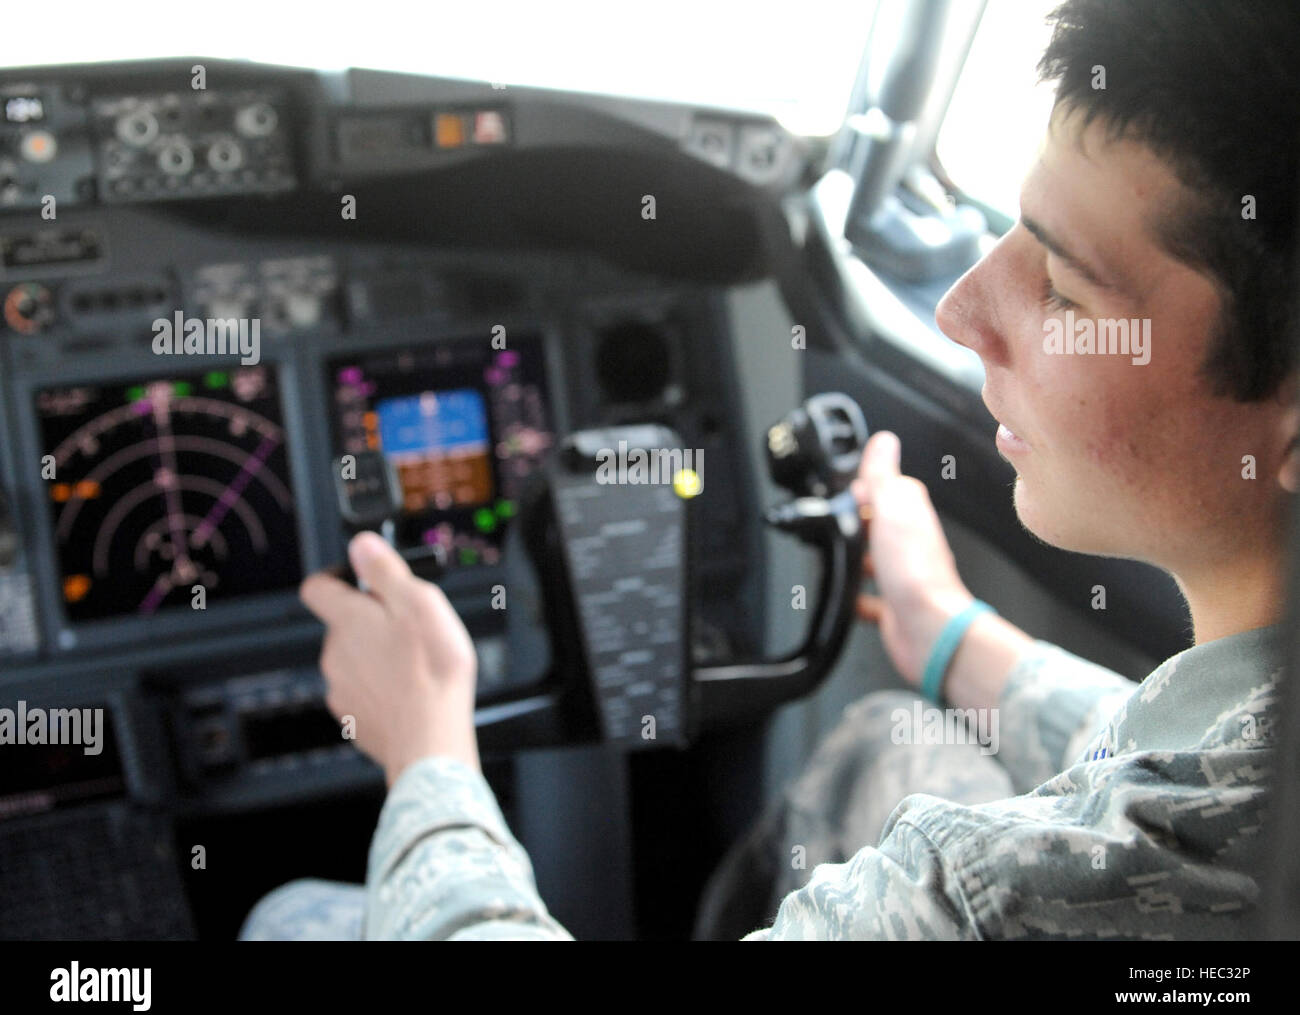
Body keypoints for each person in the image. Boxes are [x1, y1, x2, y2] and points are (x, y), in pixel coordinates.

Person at [239, 0, 1299, 940]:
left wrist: (426, 756)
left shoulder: (978, 899)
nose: (959, 310)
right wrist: (949, 632)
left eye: (1064, 288)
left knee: (287, 913)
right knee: (889, 731)